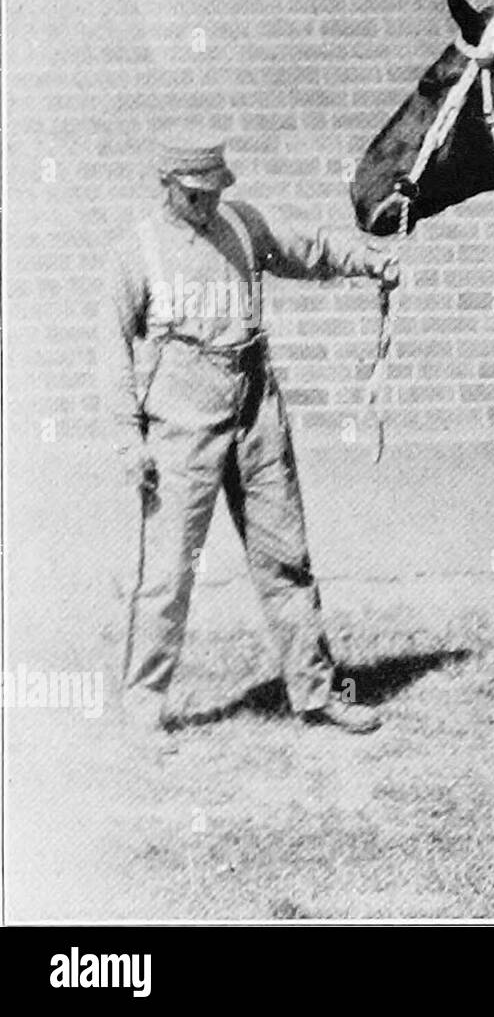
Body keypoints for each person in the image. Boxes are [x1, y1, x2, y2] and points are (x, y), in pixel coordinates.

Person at [99, 133, 398, 741]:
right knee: (169, 571)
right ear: (166, 186)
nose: (207, 204)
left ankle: (316, 693)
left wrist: (368, 261)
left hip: (256, 411)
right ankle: (143, 707)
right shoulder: (139, 251)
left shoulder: (243, 225)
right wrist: (129, 439)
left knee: (287, 558)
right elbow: (110, 351)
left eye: (213, 192)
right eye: (193, 195)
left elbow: (307, 252)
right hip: (180, 425)